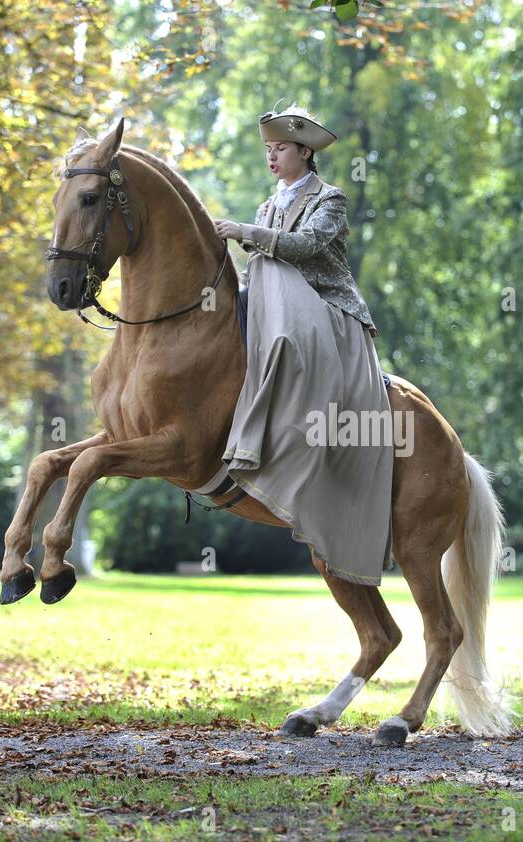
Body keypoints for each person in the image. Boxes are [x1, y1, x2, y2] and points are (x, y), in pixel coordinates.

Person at [209, 103, 394, 586]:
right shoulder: (268, 205)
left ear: (305, 152)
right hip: (276, 303)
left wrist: (245, 233)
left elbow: (305, 246)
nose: (272, 157)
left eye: (281, 148)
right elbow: (256, 271)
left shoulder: (330, 199)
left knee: (277, 292)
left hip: (326, 310)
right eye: (268, 149)